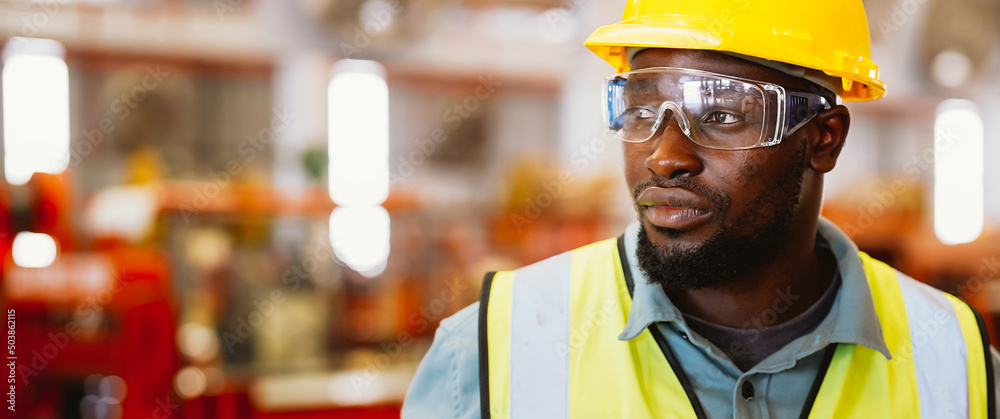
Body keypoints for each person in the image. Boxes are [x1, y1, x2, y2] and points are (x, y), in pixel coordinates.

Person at [402, 1, 999, 418]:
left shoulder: (957, 363)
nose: (665, 157)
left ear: (824, 138)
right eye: (641, 110)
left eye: (722, 114)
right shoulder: (490, 354)